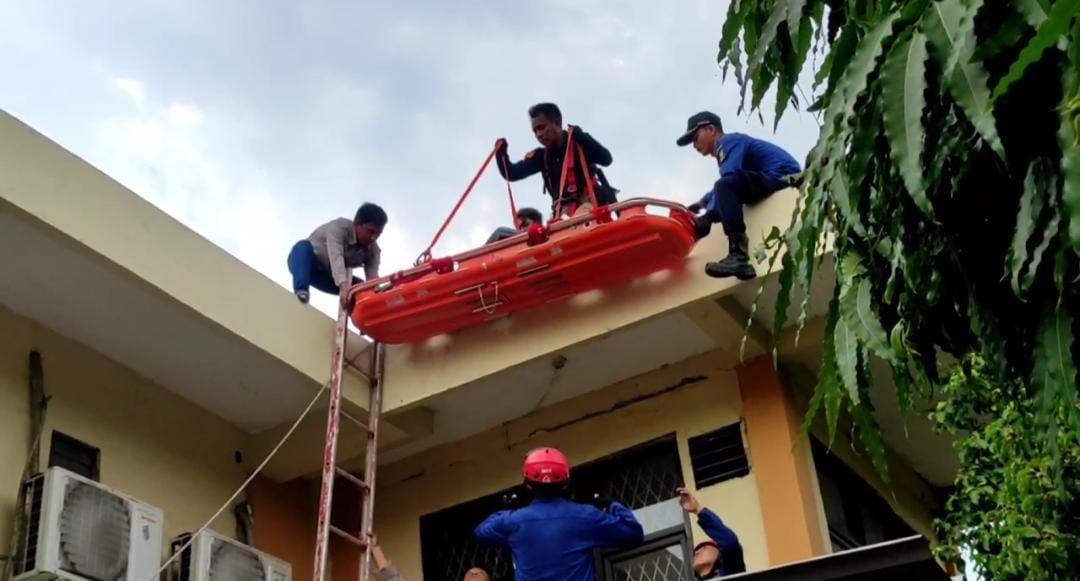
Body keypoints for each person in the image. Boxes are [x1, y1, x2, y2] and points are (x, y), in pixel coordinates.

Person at [474, 447, 643, 581]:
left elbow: (481, 532)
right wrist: (609, 502)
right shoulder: (585, 516)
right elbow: (633, 532)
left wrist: (509, 510)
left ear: (528, 485)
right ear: (565, 483)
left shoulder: (512, 521)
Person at [676, 111, 801, 280]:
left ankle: (738, 255)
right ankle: (742, 264)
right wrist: (701, 203)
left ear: (711, 130)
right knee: (726, 188)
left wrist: (710, 216)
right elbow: (730, 182)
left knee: (725, 186)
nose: (694, 145)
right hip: (772, 177)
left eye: (695, 137)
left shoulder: (728, 141)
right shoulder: (727, 146)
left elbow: (728, 181)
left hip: (782, 175)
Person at [495, 103, 618, 218]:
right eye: (535, 131)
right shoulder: (541, 157)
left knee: (575, 223)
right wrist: (501, 155)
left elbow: (606, 159)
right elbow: (511, 173)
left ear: (557, 123)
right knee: (550, 234)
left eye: (542, 128)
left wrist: (581, 137)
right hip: (562, 211)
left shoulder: (578, 142)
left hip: (589, 202)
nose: (539, 134)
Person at [287, 203, 387, 306]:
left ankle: (365, 315)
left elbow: (372, 281)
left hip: (329, 277)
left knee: (361, 288)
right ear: (358, 224)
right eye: (371, 232)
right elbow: (336, 255)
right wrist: (343, 286)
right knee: (302, 246)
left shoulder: (373, 250)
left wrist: (381, 292)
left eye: (378, 234)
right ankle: (301, 291)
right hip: (305, 265)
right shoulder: (339, 227)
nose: (374, 238)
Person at [677, 487, 746, 578]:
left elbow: (729, 542)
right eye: (696, 552)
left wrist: (698, 509)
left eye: (704, 548)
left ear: (720, 555)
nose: (696, 553)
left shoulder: (731, 572)